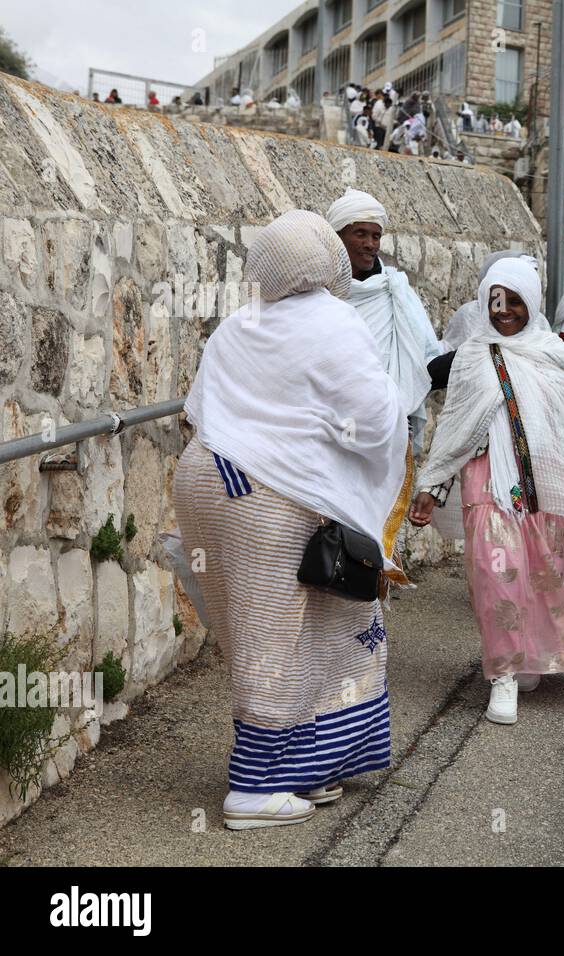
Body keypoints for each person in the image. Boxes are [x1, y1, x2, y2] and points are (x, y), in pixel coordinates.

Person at [174, 210, 410, 830]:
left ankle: (303, 766)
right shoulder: (335, 320)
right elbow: (376, 421)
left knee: (267, 628)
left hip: (205, 479)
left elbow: (202, 409)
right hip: (268, 498)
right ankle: (253, 790)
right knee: (282, 634)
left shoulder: (237, 325)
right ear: (328, 262)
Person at [409, 259, 564, 726]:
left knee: (542, 571)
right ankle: (502, 675)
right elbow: (455, 426)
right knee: (495, 572)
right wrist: (432, 486)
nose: (504, 311)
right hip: (488, 480)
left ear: (532, 302)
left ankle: (530, 657)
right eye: (495, 301)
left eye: (514, 301)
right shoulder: (471, 356)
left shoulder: (555, 354)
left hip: (547, 485)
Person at [325, 189, 444, 446]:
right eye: (361, 234)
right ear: (337, 237)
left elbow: (424, 364)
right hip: (331, 428)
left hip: (391, 429)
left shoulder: (397, 291)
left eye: (376, 236)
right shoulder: (320, 294)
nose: (371, 244)